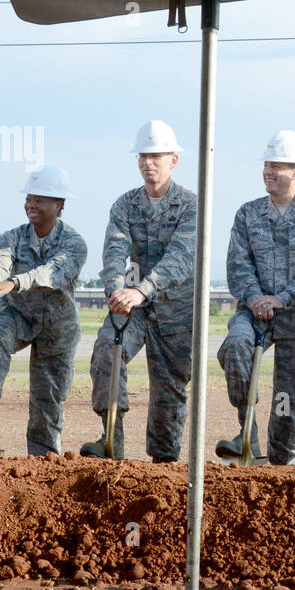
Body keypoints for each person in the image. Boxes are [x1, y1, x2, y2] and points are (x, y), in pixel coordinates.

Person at [217, 131, 295, 466]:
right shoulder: (248, 214)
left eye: (277, 166)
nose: (268, 171)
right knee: (235, 347)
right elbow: (238, 263)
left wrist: (282, 298)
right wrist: (256, 298)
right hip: (254, 313)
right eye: (266, 164)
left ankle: (283, 458)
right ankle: (247, 432)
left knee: (286, 401)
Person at [80, 120, 196, 462]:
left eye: (156, 156)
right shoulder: (125, 205)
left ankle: (163, 464)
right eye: (143, 156)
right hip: (132, 307)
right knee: (106, 352)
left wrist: (143, 290)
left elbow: (181, 258)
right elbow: (114, 251)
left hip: (176, 311)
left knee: (169, 389)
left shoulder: (190, 204)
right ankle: (111, 440)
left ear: (173, 160)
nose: (149, 163)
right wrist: (117, 292)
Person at [0, 166, 87, 456]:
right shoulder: (12, 236)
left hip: (57, 326)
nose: (31, 205)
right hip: (17, 314)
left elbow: (53, 273)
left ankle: (43, 458)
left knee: (48, 397)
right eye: (29, 198)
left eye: (40, 199)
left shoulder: (74, 243)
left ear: (59, 205)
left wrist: (12, 283)